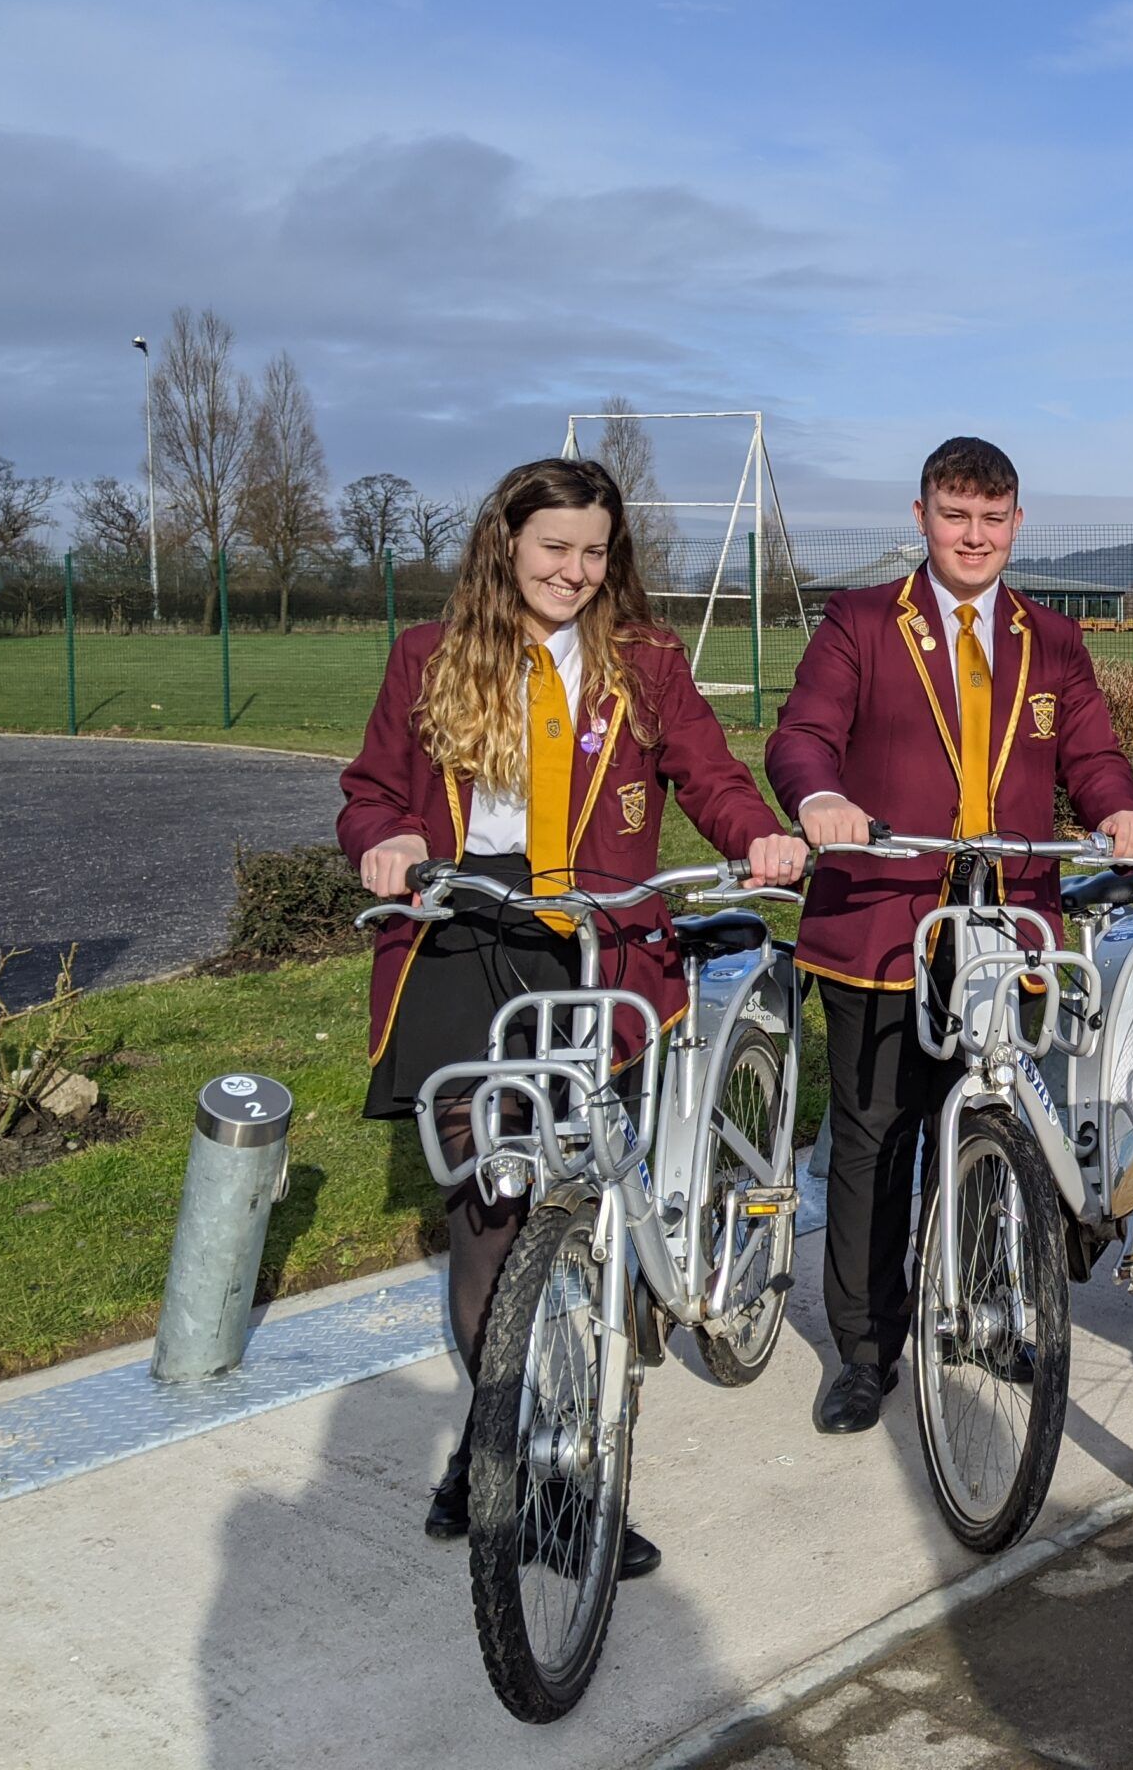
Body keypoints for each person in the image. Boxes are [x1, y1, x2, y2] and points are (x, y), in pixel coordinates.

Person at [339, 457, 807, 1570]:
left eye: (595, 551)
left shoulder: (643, 660)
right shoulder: (429, 655)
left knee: (583, 1209)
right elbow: (371, 791)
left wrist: (755, 833)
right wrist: (388, 840)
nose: (575, 570)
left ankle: (493, 1455)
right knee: (490, 1215)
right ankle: (541, 1480)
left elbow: (709, 773)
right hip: (461, 937)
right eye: (554, 547)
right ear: (505, 543)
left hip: (597, 942)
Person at [769, 436, 1133, 1435]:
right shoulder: (861, 622)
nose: (974, 536)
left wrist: (1118, 809)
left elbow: (1091, 754)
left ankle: (982, 1314)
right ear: (922, 518)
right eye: (955, 516)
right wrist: (818, 799)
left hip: (1006, 926)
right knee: (874, 1135)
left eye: (992, 519)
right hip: (882, 920)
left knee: (993, 1117)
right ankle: (865, 1350)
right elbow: (802, 734)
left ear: (1017, 524)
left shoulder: (1051, 638)